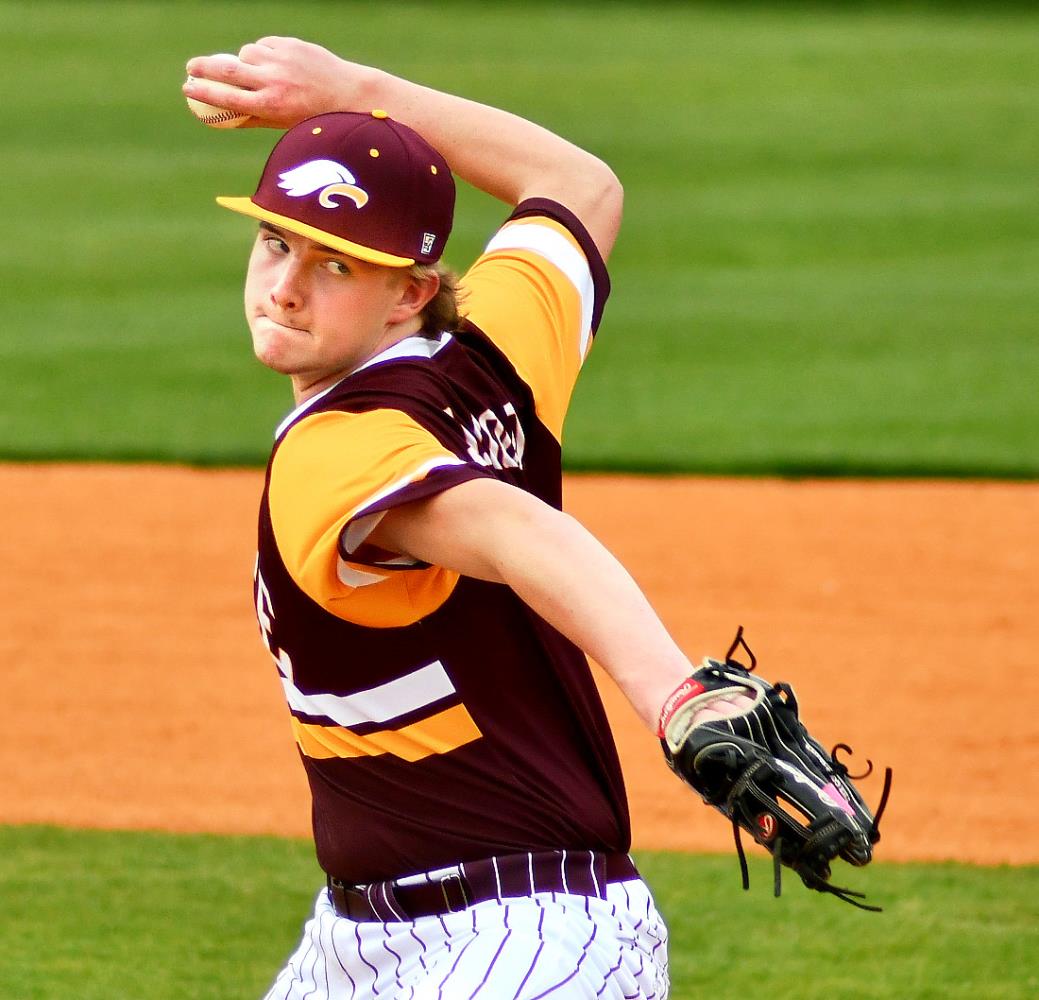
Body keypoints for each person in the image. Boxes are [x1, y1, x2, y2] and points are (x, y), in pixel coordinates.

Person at [184, 35, 734, 1000]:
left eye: (336, 267)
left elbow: (517, 533)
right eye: (276, 242)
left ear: (409, 292)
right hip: (368, 941)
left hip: (513, 945)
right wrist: (357, 93)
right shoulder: (495, 348)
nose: (285, 287)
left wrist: (674, 696)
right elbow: (578, 184)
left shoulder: (336, 449)